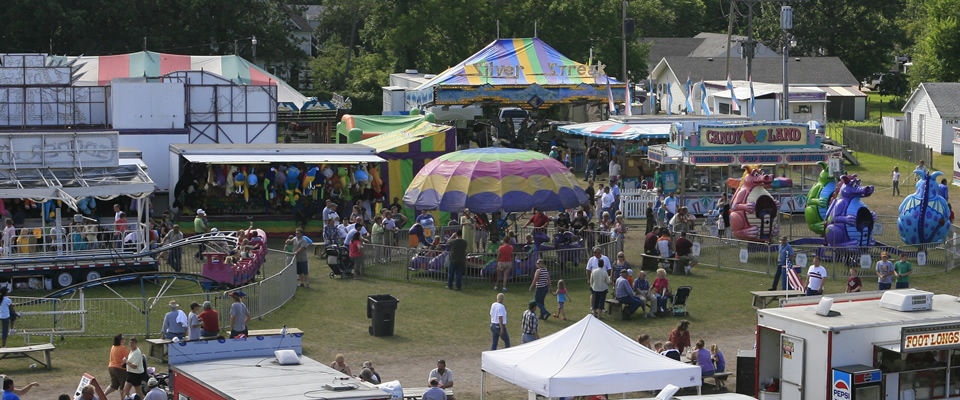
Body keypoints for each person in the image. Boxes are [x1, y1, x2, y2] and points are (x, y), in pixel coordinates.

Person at [103, 334, 128, 398]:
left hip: (111, 367)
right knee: (123, 386)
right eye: (123, 338)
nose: (124, 339)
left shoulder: (113, 347)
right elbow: (128, 358)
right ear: (120, 340)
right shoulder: (123, 348)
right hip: (120, 369)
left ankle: (102, 395)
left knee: (113, 386)